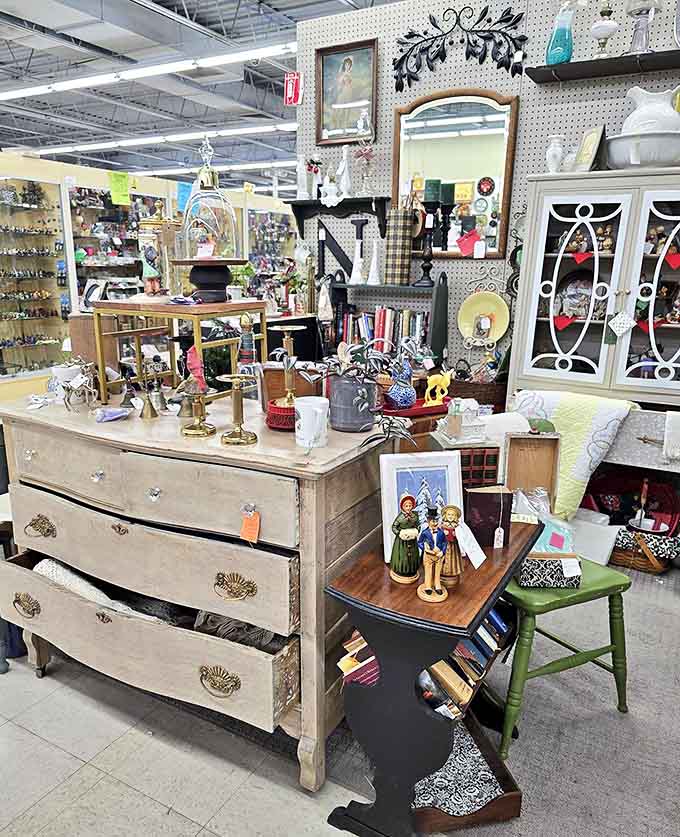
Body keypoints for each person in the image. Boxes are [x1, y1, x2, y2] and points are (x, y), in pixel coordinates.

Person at [417, 507, 448, 602]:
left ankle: (437, 585)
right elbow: (419, 542)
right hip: (429, 555)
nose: (434, 523)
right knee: (428, 570)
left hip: (438, 555)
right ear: (428, 521)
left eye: (436, 521)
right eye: (432, 521)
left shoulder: (441, 533)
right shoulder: (425, 532)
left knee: (438, 571)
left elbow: (445, 543)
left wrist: (442, 552)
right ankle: (428, 586)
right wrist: (425, 548)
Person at [389, 494, 421, 583]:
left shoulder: (415, 516)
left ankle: (412, 569)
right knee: (402, 555)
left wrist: (416, 531)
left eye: (410, 505)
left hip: (412, 539)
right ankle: (400, 569)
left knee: (412, 554)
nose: (408, 508)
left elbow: (418, 525)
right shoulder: (400, 518)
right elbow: (394, 527)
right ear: (402, 507)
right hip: (401, 542)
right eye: (406, 506)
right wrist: (400, 533)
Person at [440, 504, 465, 588]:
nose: (450, 516)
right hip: (444, 546)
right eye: (449, 514)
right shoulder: (442, 525)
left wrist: (456, 534)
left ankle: (452, 572)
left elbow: (462, 536)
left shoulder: (457, 527)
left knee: (453, 559)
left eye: (452, 515)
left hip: (453, 547)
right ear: (445, 515)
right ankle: (441, 572)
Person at [332, 56, 354, 131]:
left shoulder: (351, 73)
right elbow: (339, 82)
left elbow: (352, 83)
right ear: (344, 65)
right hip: (342, 92)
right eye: (346, 64)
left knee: (347, 110)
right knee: (340, 109)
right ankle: (338, 127)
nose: (347, 66)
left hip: (349, 92)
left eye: (348, 65)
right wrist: (344, 76)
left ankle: (345, 127)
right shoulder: (342, 73)